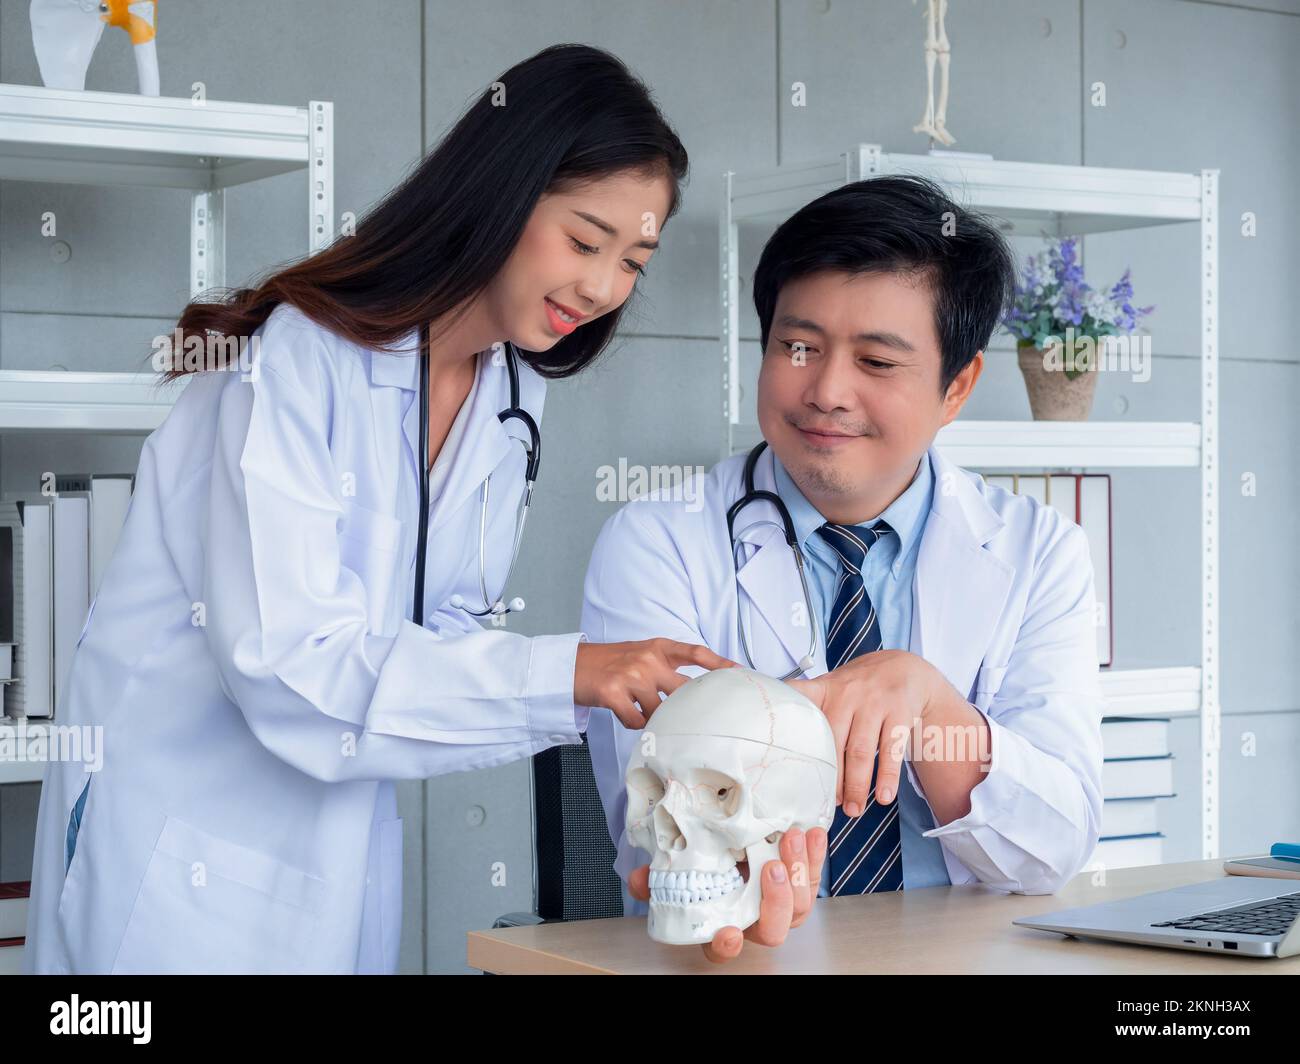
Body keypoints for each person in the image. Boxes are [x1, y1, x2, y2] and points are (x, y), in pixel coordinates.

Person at [23, 43, 731, 975]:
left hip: (338, 855)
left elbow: (437, 642)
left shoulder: (509, 394)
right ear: (499, 192)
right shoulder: (291, 362)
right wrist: (571, 675)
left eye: (633, 260)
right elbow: (291, 665)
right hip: (174, 856)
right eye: (584, 240)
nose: (603, 289)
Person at [583, 175, 1104, 963]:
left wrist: (929, 705)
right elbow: (670, 821)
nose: (826, 390)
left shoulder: (1039, 552)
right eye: (799, 347)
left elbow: (1053, 847)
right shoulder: (658, 541)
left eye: (876, 361)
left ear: (957, 386)